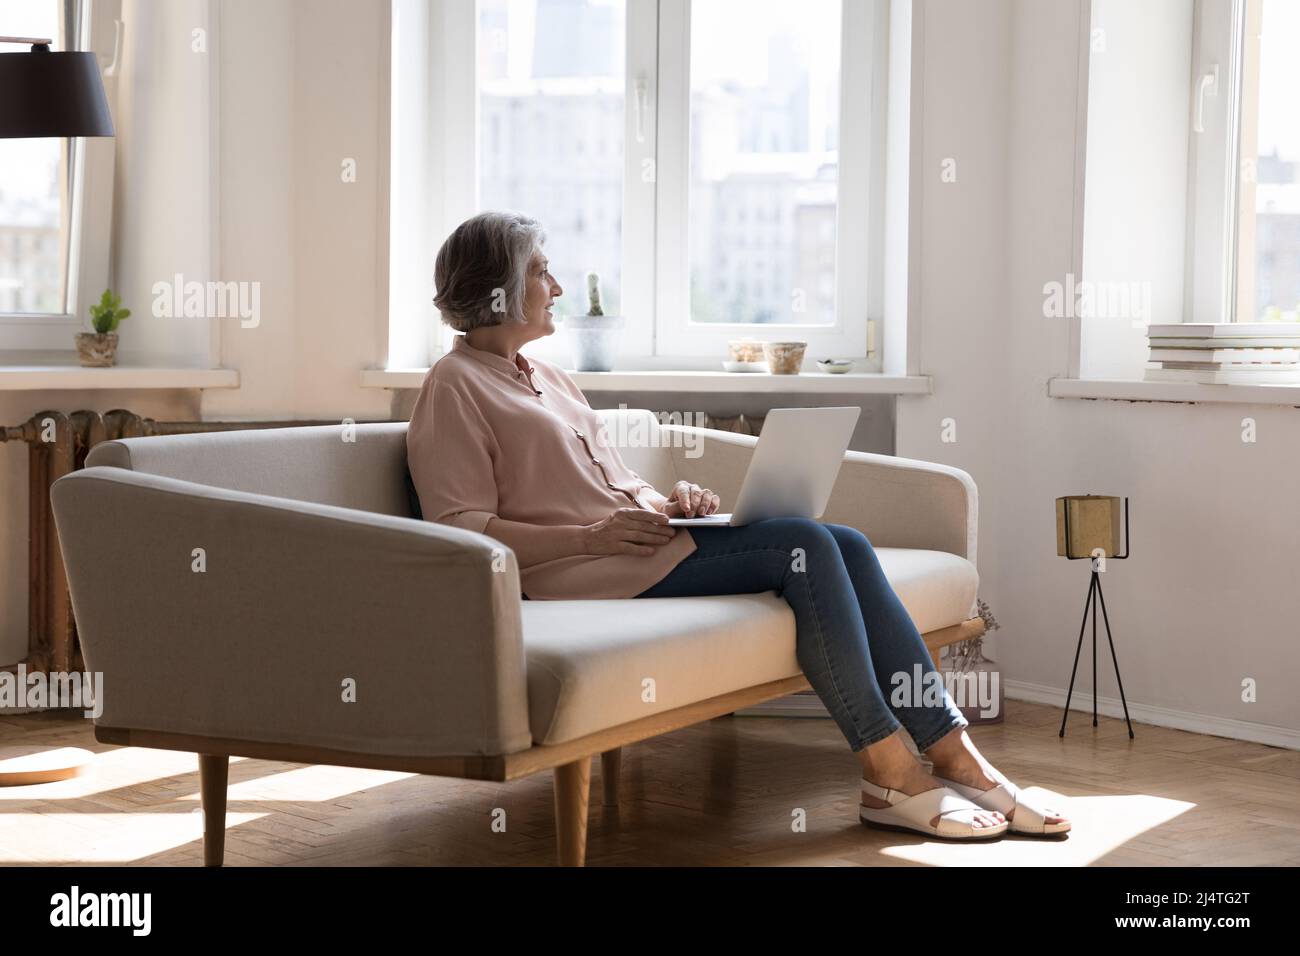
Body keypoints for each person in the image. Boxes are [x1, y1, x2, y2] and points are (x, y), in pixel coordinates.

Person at [407, 210, 1070, 840]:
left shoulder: (549, 377)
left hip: (639, 546)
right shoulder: (453, 386)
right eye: (540, 272)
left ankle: (954, 753)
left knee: (844, 541)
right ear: (496, 291)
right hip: (579, 572)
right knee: (804, 543)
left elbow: (613, 480)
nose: (555, 287)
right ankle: (887, 772)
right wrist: (590, 538)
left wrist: (668, 500)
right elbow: (461, 527)